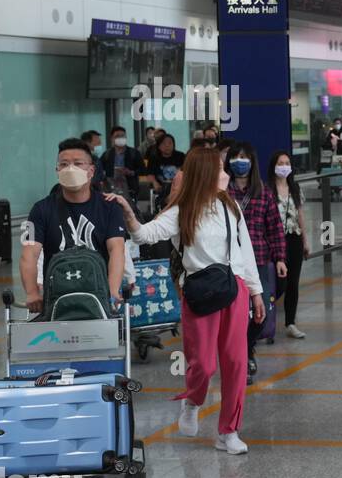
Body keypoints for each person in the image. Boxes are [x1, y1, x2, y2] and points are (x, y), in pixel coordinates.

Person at [109, 147, 265, 455]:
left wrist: (256, 291)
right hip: (200, 292)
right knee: (204, 365)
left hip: (234, 290)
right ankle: (193, 401)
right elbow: (144, 235)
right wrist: (129, 214)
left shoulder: (230, 206)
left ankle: (228, 432)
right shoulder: (182, 211)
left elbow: (245, 250)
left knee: (236, 363)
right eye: (221, 168)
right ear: (206, 173)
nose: (227, 173)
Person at [21, 140, 127, 315]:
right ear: (57, 171)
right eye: (64, 164)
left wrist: (113, 291)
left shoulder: (109, 207)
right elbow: (28, 254)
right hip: (56, 298)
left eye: (78, 163)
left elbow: (117, 249)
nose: (70, 169)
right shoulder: (39, 209)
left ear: (91, 171)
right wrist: (32, 293)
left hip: (98, 297)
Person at [226, 142, 287, 381]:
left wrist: (280, 258)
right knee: (235, 314)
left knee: (260, 314)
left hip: (260, 259)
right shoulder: (222, 193)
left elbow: (275, 228)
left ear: (252, 162)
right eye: (235, 157)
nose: (239, 162)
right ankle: (241, 357)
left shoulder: (264, 192)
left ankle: (248, 347)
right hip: (229, 263)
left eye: (244, 157)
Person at [268, 150, 310, 340]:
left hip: (294, 239)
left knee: (293, 283)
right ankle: (265, 320)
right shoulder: (267, 189)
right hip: (275, 241)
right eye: (280, 163)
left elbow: (300, 214)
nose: (284, 166)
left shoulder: (295, 187)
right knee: (278, 283)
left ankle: (290, 323)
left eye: (287, 163)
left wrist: (305, 240)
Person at [100, 126, 145, 198]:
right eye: (117, 136)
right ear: (112, 138)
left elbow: (143, 170)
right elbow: (100, 169)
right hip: (111, 189)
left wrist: (131, 172)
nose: (120, 138)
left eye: (122, 136)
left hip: (130, 189)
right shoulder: (107, 154)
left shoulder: (134, 153)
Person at [142, 133, 185, 203]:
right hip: (161, 187)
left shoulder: (180, 156)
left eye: (170, 143)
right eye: (164, 143)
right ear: (159, 146)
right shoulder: (154, 158)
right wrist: (154, 182)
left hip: (178, 187)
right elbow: (150, 174)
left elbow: (186, 172)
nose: (167, 146)